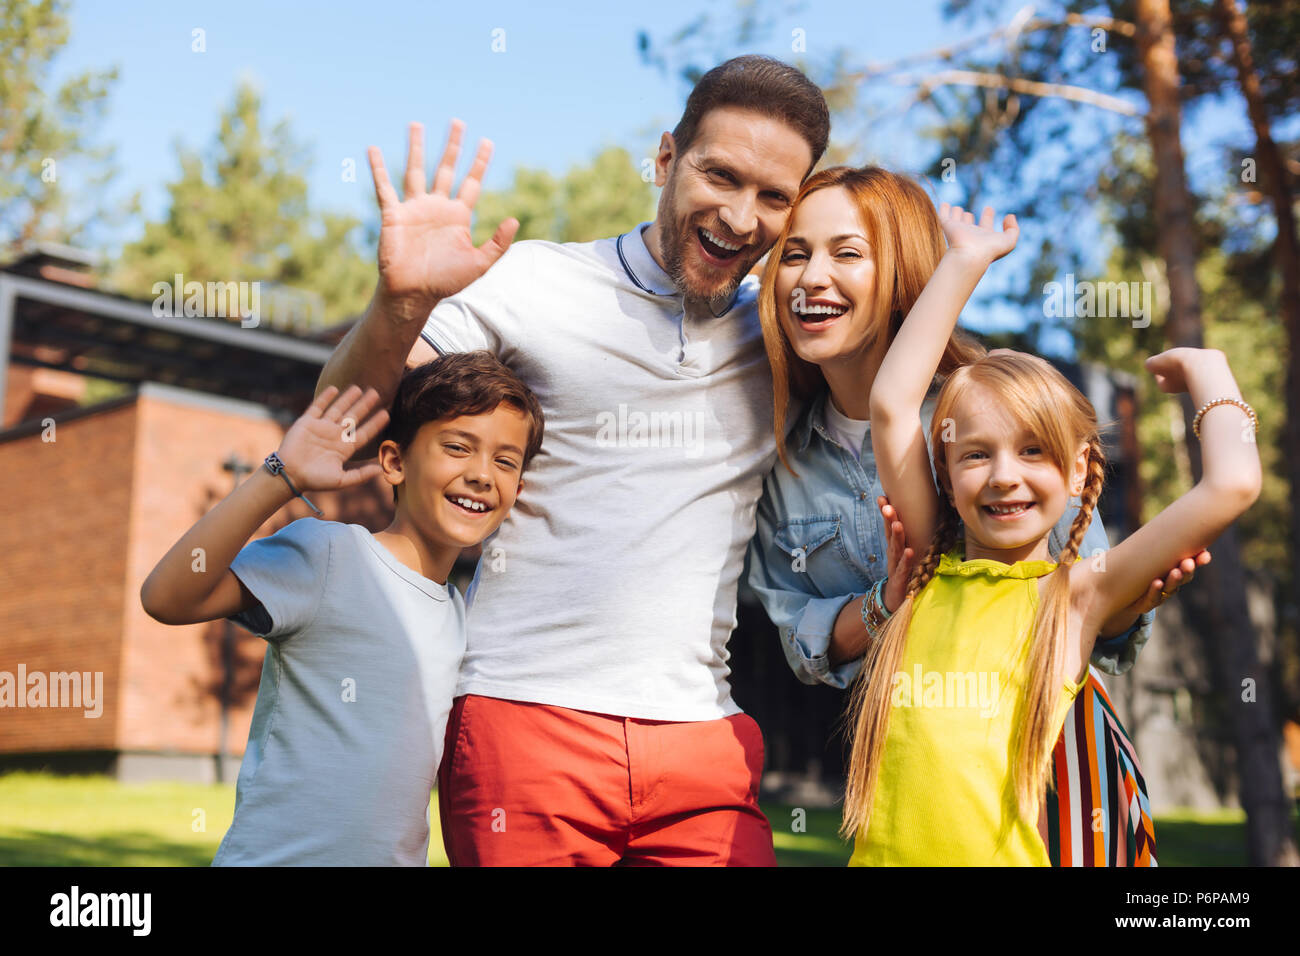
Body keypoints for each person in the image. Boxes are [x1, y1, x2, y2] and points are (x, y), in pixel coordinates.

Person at [317, 55, 830, 866]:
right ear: (666, 160)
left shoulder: (786, 339)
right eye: (720, 175)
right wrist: (400, 302)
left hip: (704, 736)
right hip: (524, 717)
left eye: (774, 198)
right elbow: (343, 424)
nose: (740, 216)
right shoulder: (534, 282)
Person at [746, 166, 1203, 865]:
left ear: (902, 271)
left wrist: (1131, 597)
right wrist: (883, 606)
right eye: (795, 254)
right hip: (918, 778)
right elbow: (804, 646)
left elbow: (1092, 611)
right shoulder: (783, 462)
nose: (811, 276)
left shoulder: (991, 420)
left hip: (1045, 773)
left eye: (846, 252)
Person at [842, 200, 1260, 864]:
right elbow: (892, 403)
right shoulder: (924, 567)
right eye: (976, 454)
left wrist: (1211, 375)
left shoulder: (1075, 598)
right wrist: (964, 261)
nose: (1005, 476)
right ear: (946, 476)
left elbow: (1232, 484)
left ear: (1077, 472)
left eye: (1034, 451)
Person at [139, 351, 544, 865]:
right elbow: (168, 597)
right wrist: (279, 478)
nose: (483, 475)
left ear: (519, 490)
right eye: (458, 448)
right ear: (395, 462)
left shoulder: (460, 612)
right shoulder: (331, 555)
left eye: (505, 461)